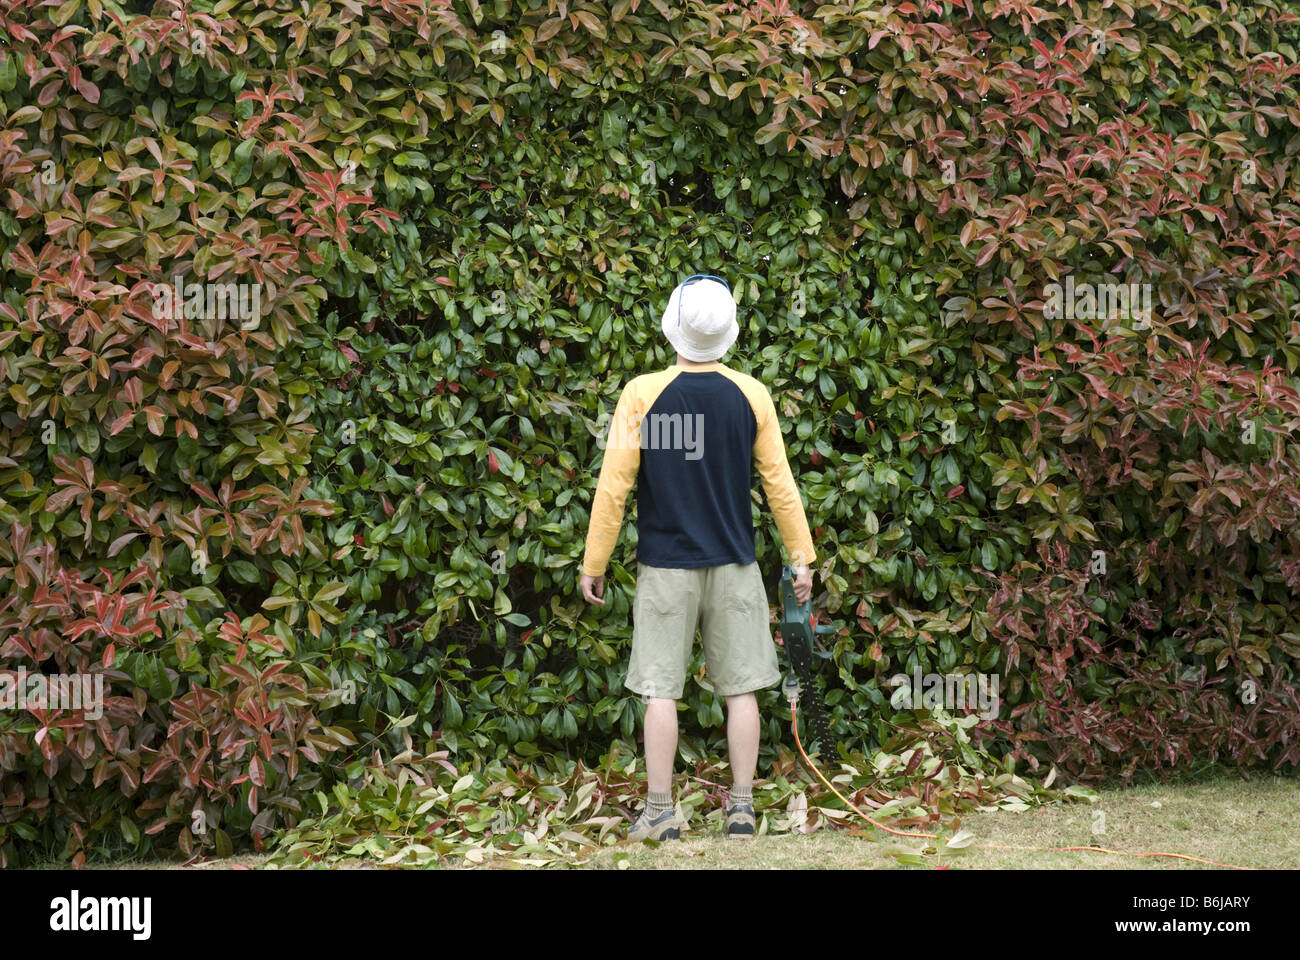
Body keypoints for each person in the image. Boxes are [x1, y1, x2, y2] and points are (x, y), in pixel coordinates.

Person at [578, 273, 815, 842]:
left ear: (674, 329)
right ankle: (741, 810)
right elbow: (779, 483)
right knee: (742, 691)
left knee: (661, 690)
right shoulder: (752, 394)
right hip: (735, 564)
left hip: (665, 567)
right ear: (727, 334)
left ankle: (660, 813)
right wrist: (801, 556)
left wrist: (594, 562)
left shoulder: (642, 394)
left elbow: (613, 487)